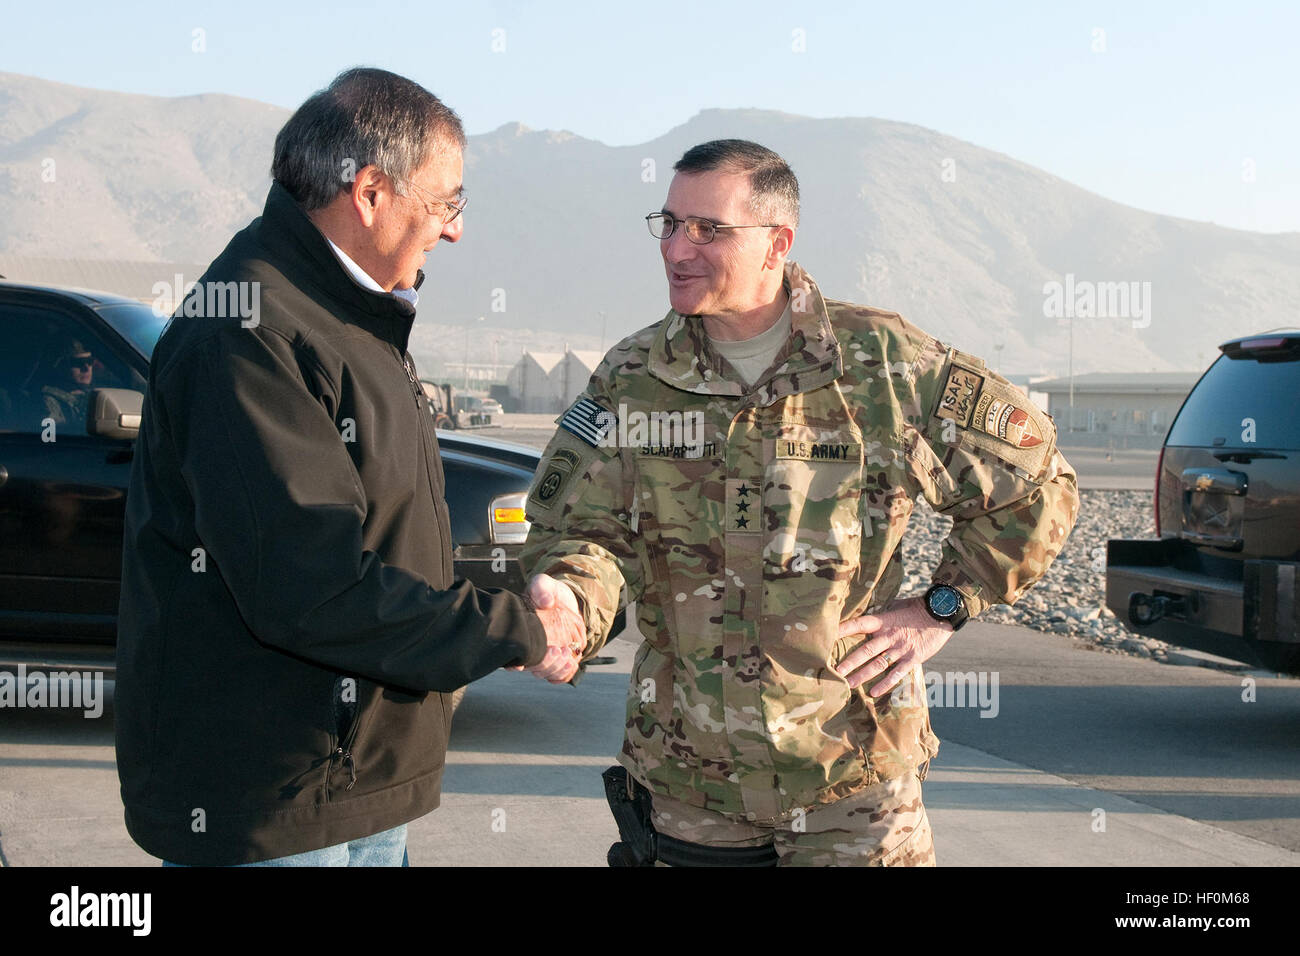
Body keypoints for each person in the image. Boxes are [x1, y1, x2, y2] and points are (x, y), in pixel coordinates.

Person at [519, 139, 1080, 866]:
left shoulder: (884, 365)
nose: (676, 248)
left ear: (776, 243)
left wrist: (941, 607)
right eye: (669, 222)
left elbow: (1038, 485)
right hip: (693, 782)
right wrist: (570, 603)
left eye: (708, 229)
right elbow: (581, 531)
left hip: (853, 782)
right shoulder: (633, 377)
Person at [115, 68, 583, 867]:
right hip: (280, 802)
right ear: (369, 191)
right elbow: (313, 587)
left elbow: (387, 533)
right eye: (446, 204)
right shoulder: (250, 332)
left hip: (350, 785)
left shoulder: (348, 316)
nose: (455, 231)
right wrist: (517, 630)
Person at [41, 339, 95, 430]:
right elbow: (51, 438)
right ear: (60, 366)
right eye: (78, 362)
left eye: (90, 361)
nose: (86, 368)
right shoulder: (49, 401)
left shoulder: (95, 394)